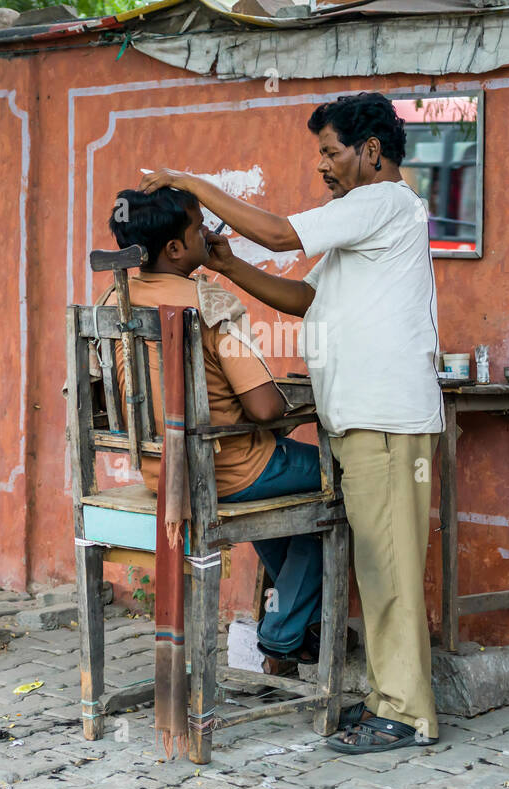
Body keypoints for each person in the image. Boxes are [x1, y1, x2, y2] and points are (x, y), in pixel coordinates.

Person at [141, 91, 443, 754]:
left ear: (371, 151)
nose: (323, 167)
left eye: (330, 152)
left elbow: (280, 233)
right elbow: (308, 299)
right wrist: (226, 264)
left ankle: (405, 711)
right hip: (363, 418)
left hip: (386, 419)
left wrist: (194, 185)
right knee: (376, 561)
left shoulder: (383, 202)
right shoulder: (359, 222)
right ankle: (386, 698)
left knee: (387, 566)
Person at [106, 185, 332, 673]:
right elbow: (267, 408)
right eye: (198, 228)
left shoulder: (112, 305)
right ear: (174, 249)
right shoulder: (209, 304)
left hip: (159, 473)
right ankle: (284, 633)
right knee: (346, 485)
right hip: (226, 471)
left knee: (289, 506)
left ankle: (296, 630)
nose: (209, 233)